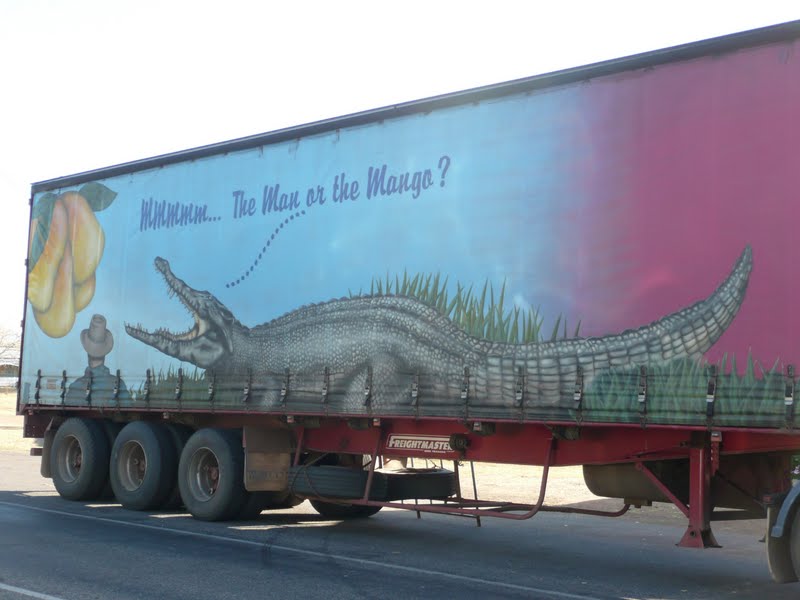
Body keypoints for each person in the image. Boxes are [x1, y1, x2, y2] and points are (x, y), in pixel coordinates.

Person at [66, 314, 131, 404]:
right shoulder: (118, 384)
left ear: (87, 350)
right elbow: (127, 409)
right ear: (105, 352)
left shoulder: (75, 386)